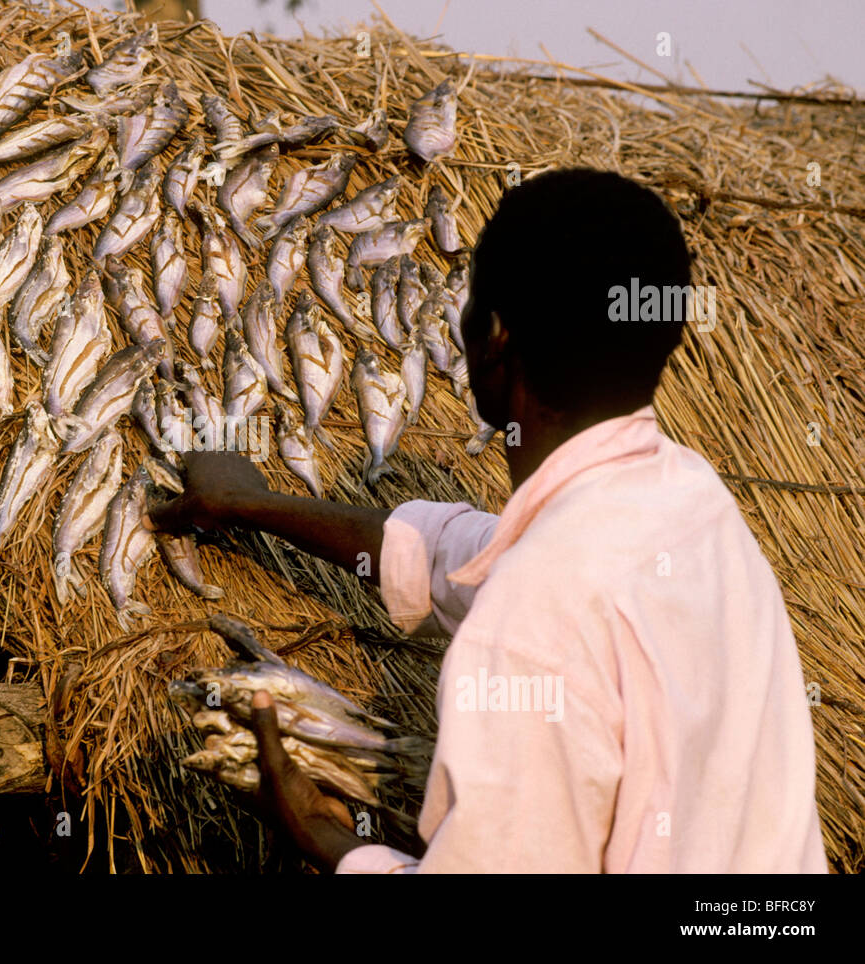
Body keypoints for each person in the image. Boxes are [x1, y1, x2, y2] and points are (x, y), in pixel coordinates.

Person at [146, 168, 828, 873]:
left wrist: (324, 838)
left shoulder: (530, 626)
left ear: (495, 337)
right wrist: (251, 505)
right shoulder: (691, 499)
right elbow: (448, 553)